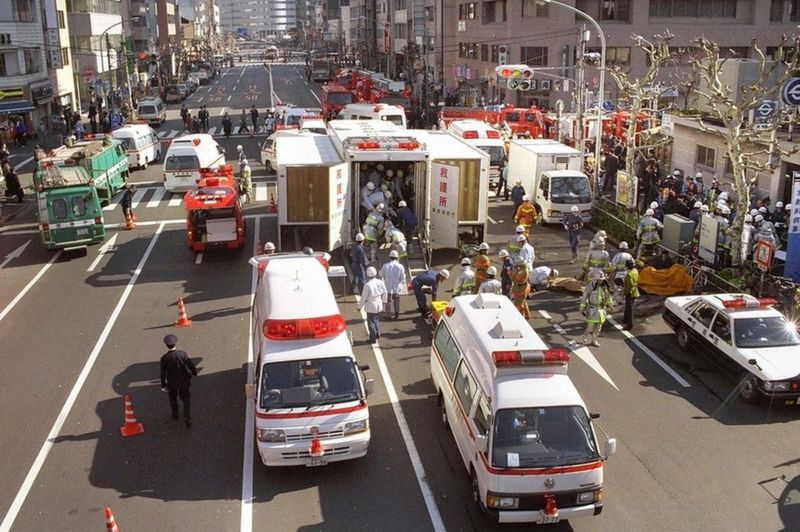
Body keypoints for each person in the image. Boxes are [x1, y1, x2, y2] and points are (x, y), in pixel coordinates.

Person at [160, 334, 198, 428]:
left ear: (166, 345)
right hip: (183, 380)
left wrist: (163, 385)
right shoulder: (182, 354)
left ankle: (175, 414)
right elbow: (190, 364)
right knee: (186, 400)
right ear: (175, 343)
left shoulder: (164, 358)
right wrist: (194, 372)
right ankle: (187, 417)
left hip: (171, 382)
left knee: (173, 399)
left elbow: (163, 373)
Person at [579, 270, 612, 347]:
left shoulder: (604, 287)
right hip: (592, 310)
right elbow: (584, 298)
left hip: (601, 310)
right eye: (599, 280)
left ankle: (594, 340)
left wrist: (611, 305)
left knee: (598, 328)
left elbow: (608, 297)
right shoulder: (589, 287)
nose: (601, 281)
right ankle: (585, 335)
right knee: (590, 327)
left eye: (601, 280)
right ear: (594, 279)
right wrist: (582, 308)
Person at [358, 267, 388, 343]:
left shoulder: (367, 285)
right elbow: (385, 292)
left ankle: (373, 338)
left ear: (367, 275)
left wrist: (359, 307)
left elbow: (363, 298)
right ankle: (377, 334)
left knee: (371, 322)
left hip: (371, 305)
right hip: (379, 304)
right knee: (376, 319)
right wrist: (384, 302)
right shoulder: (380, 282)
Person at [379, 250, 406, 320]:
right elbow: (403, 278)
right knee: (396, 300)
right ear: (397, 257)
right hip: (396, 287)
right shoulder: (400, 266)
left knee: (388, 301)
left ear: (390, 257)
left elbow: (380, 274)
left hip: (388, 287)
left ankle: (388, 315)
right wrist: (400, 286)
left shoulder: (386, 266)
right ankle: (397, 313)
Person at [622, 259, 639, 330]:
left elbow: (628, 286)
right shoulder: (635, 271)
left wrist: (623, 293)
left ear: (626, 266)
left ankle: (629, 324)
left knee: (629, 309)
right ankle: (625, 319)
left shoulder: (628, 275)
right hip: (635, 291)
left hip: (630, 292)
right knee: (628, 306)